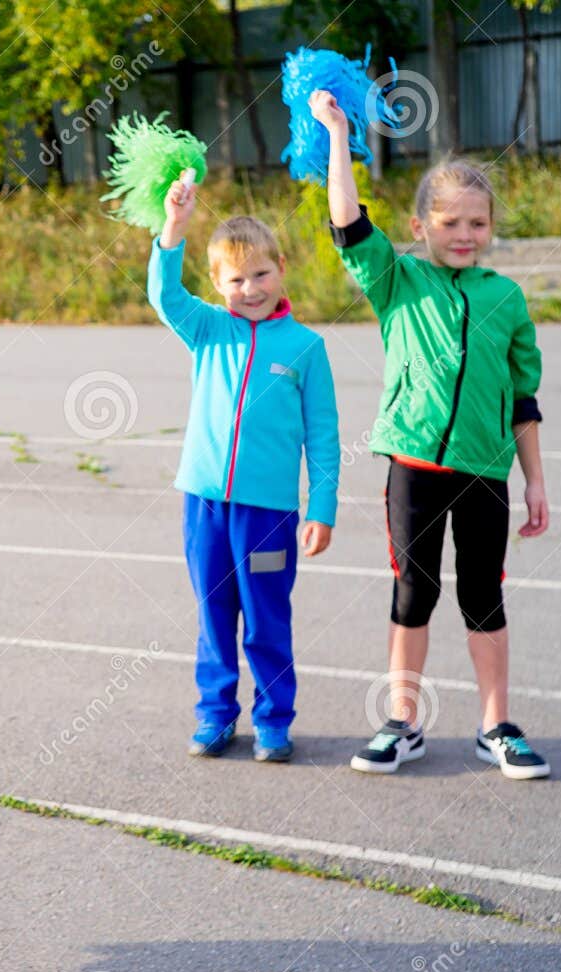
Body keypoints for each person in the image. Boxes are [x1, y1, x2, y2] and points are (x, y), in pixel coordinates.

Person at [309, 89, 551, 780]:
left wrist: (534, 479)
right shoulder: (397, 281)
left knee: (484, 595)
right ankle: (401, 723)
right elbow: (348, 222)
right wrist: (337, 134)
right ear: (420, 226)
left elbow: (523, 400)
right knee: (413, 591)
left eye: (477, 222)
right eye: (449, 222)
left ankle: (496, 725)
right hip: (413, 466)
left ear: (492, 227)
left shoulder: (506, 298)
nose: (464, 234)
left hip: (485, 471)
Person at [150, 168, 340, 763]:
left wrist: (323, 506)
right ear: (217, 284)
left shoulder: (306, 346)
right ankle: (214, 715)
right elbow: (163, 295)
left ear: (281, 268)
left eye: (261, 274)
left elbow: (324, 436)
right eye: (236, 279)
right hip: (204, 504)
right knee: (214, 615)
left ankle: (274, 720)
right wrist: (173, 226)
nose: (250, 288)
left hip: (270, 514)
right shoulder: (207, 328)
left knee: (264, 619)